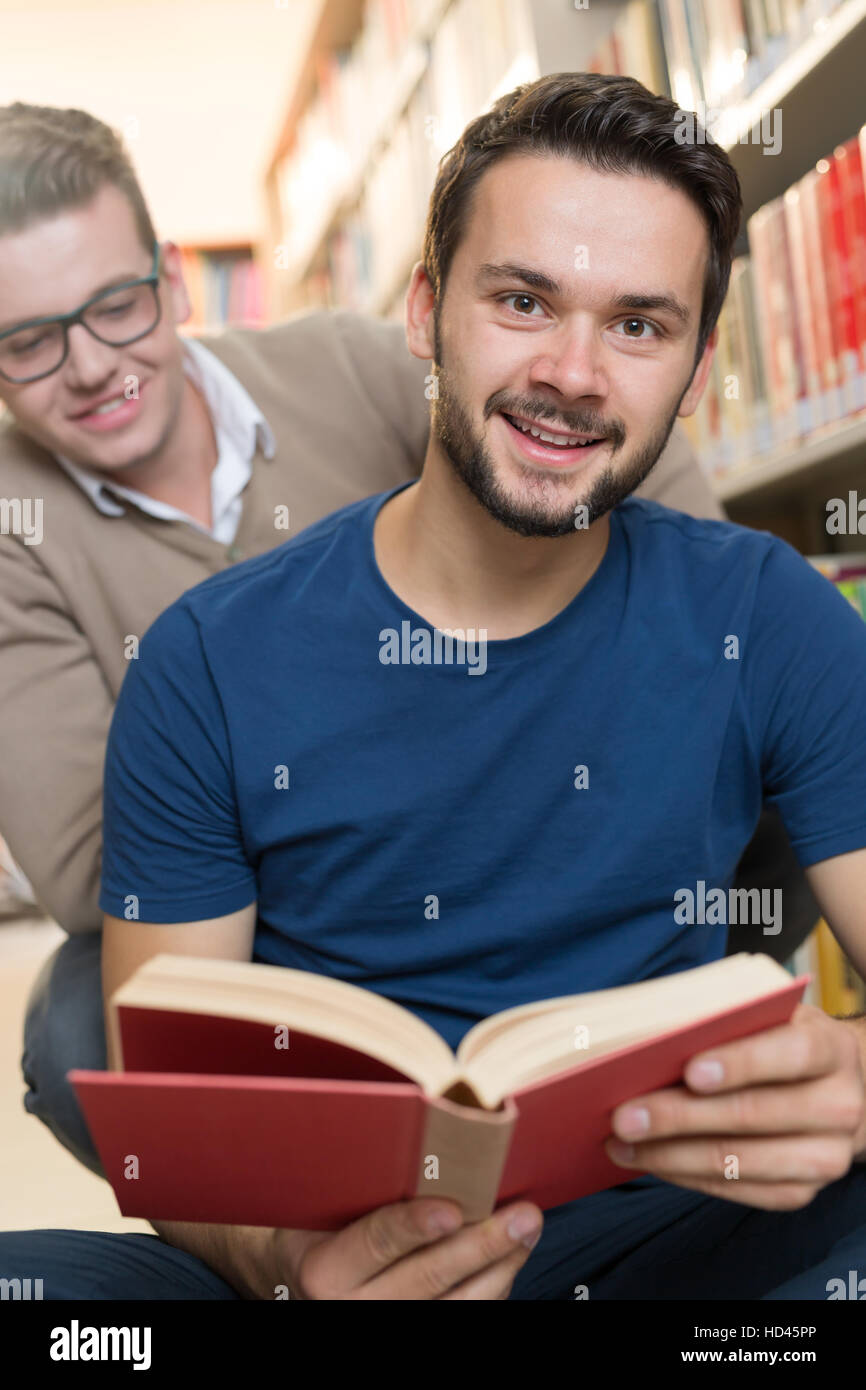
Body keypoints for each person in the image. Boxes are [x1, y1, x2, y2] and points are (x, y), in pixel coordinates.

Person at [4, 70, 861, 1301]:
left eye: (636, 325)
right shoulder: (198, 659)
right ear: (423, 311)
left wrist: (850, 1081)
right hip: (329, 1244)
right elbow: (169, 1134)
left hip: (674, 1230)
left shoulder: (766, 612)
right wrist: (294, 1265)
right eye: (521, 300)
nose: (571, 371)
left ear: (694, 368)